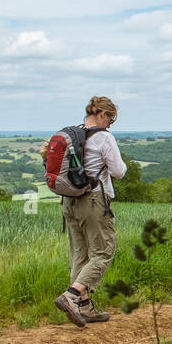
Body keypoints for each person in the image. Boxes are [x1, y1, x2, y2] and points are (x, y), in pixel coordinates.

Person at [54, 96, 127, 328]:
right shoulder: (103, 137)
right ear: (103, 113)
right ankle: (72, 295)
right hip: (94, 200)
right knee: (104, 251)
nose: (111, 124)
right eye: (111, 119)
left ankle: (84, 307)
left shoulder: (72, 133)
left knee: (80, 254)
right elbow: (118, 172)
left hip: (69, 200)